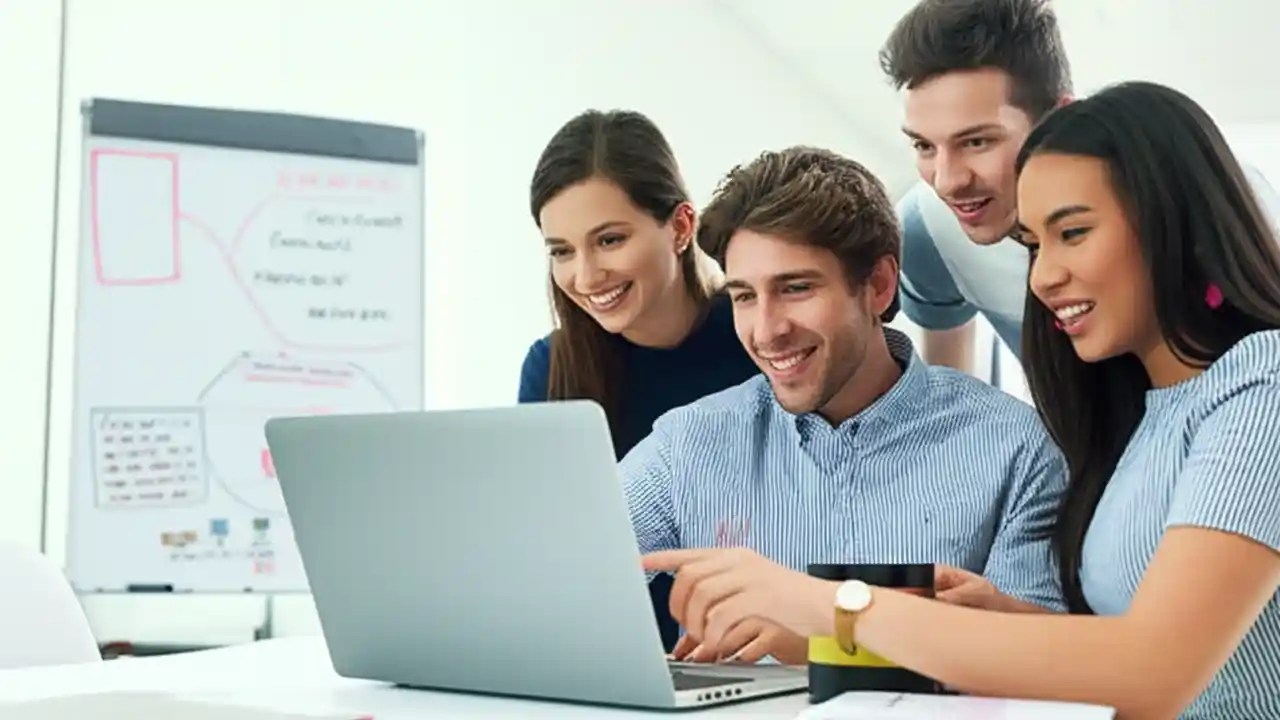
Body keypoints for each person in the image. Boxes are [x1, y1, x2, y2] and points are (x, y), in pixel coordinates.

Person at [645, 82, 1280, 720]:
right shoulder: (1142, 413)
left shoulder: (1264, 381)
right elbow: (1116, 649)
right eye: (1034, 245)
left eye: (1073, 232)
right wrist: (1008, 618)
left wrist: (826, 608)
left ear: (1176, 222)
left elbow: (1155, 671)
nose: (1043, 277)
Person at [623, 145, 1067, 666]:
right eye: (744, 296)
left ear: (878, 285)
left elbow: (1034, 662)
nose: (766, 331)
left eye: (796, 288)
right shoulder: (688, 444)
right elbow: (565, 570)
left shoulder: (1013, 447)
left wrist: (823, 643)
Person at [880, 0, 1280, 374]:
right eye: (924, 146)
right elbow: (953, 396)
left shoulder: (1217, 200)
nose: (948, 181)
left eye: (977, 142)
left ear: (1061, 119)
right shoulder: (925, 230)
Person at [518, 109, 759, 651]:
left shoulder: (761, 341)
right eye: (561, 251)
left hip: (748, 659)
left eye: (609, 240)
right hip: (602, 656)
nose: (585, 276)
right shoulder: (551, 368)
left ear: (681, 227)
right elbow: (548, 556)